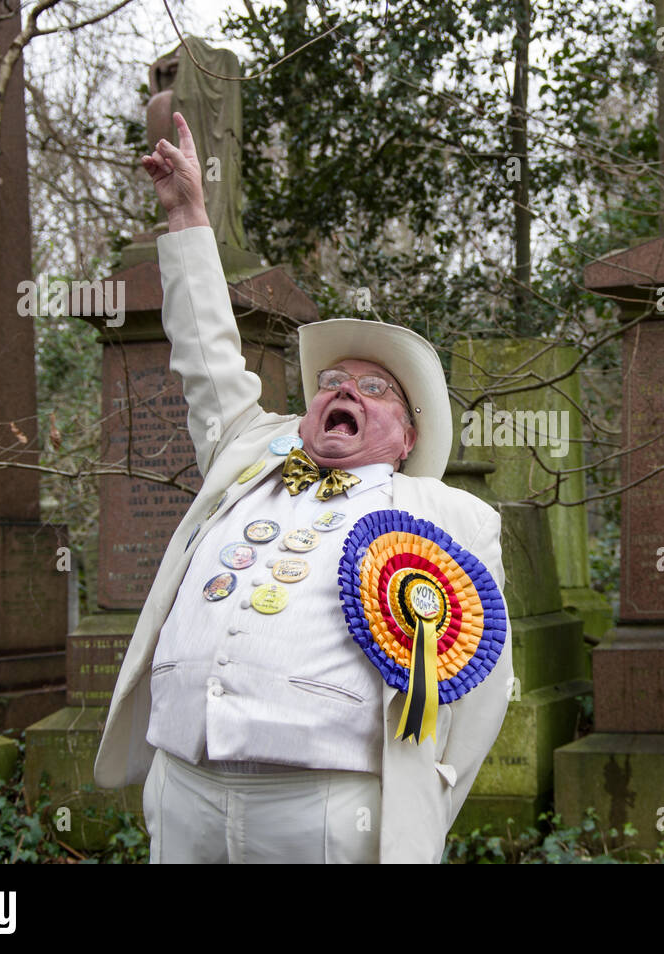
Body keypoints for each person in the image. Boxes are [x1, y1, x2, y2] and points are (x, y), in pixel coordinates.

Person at [94, 111, 512, 864]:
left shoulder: (449, 519)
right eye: (331, 381)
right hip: (181, 785)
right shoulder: (248, 450)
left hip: (325, 810)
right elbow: (205, 354)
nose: (343, 389)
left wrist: (417, 812)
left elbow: (479, 692)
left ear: (409, 434)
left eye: (372, 387)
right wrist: (189, 217)